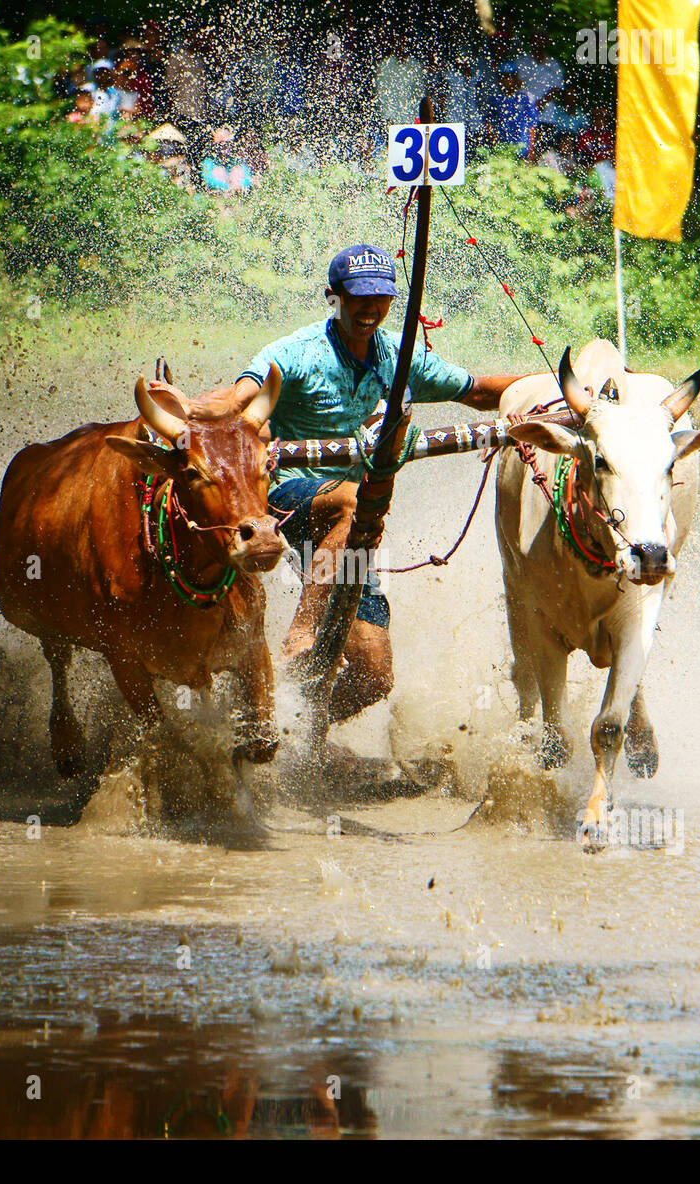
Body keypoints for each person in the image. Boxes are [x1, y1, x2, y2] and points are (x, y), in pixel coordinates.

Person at [231, 245, 530, 726]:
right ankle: (301, 634)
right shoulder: (295, 354)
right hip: (289, 501)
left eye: (382, 297)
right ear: (334, 296)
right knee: (349, 501)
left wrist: (549, 389)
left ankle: (294, 726)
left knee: (374, 676)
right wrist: (207, 414)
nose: (370, 308)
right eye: (358, 297)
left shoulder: (401, 354)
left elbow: (476, 392)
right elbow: (240, 397)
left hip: (356, 529)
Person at [489, 62, 539, 158]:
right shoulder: (495, 100)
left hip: (522, 147)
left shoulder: (525, 98)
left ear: (516, 79)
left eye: (511, 77)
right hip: (503, 147)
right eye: (504, 77)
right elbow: (489, 123)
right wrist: (494, 145)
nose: (508, 80)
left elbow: (531, 125)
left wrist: (531, 149)